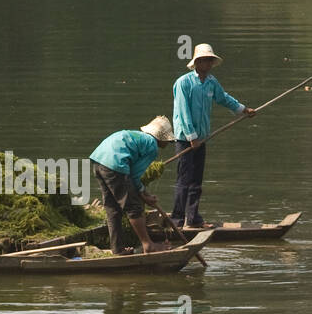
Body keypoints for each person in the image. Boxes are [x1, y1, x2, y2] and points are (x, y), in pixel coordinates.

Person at [171, 42, 256, 228]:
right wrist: (191, 136)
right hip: (186, 139)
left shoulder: (211, 82)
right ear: (198, 62)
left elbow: (223, 98)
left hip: (202, 138)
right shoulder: (183, 83)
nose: (209, 64)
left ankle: (193, 218)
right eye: (206, 61)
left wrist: (243, 109)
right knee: (184, 180)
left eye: (211, 61)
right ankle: (177, 220)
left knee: (196, 181)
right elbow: (183, 112)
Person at [89, 116, 175, 255]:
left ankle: (117, 249)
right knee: (133, 207)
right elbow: (134, 175)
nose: (167, 144)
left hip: (99, 162)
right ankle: (148, 245)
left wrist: (143, 193)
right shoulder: (152, 146)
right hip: (115, 165)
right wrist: (143, 195)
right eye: (167, 141)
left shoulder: (138, 136)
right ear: (161, 138)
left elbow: (132, 176)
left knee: (113, 208)